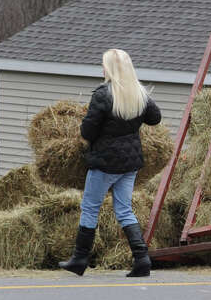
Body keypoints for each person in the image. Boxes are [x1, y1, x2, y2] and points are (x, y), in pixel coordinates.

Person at [58, 49, 162, 277]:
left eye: (104, 65)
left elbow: (87, 131)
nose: (102, 68)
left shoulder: (103, 94)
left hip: (105, 163)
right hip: (130, 163)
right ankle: (142, 259)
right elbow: (155, 118)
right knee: (124, 209)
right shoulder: (138, 92)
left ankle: (80, 259)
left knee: (90, 207)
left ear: (111, 69)